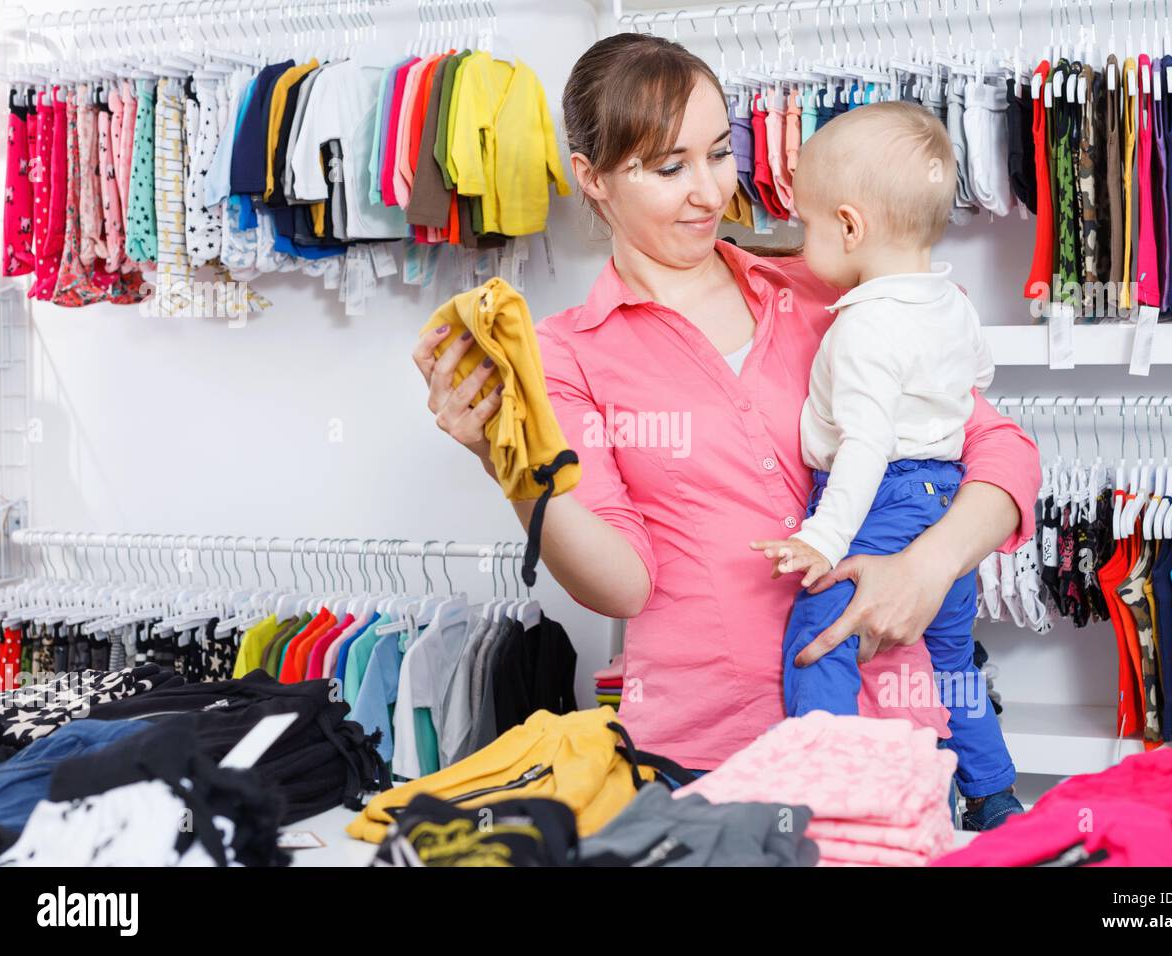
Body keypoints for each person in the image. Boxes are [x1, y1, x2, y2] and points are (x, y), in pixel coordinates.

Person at [412, 34, 1039, 828]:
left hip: (895, 743)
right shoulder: (564, 356)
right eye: (670, 168)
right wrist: (508, 460)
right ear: (592, 178)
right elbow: (619, 582)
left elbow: (1002, 449)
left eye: (718, 153)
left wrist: (926, 569)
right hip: (708, 765)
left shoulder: (823, 292)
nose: (710, 192)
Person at [750, 101, 1020, 829]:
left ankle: (827, 794)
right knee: (952, 662)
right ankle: (996, 797)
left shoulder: (863, 328)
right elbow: (979, 380)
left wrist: (826, 540)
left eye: (805, 225)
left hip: (884, 500)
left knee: (819, 638)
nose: (800, 243)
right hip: (946, 490)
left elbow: (864, 447)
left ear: (849, 226)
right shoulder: (952, 302)